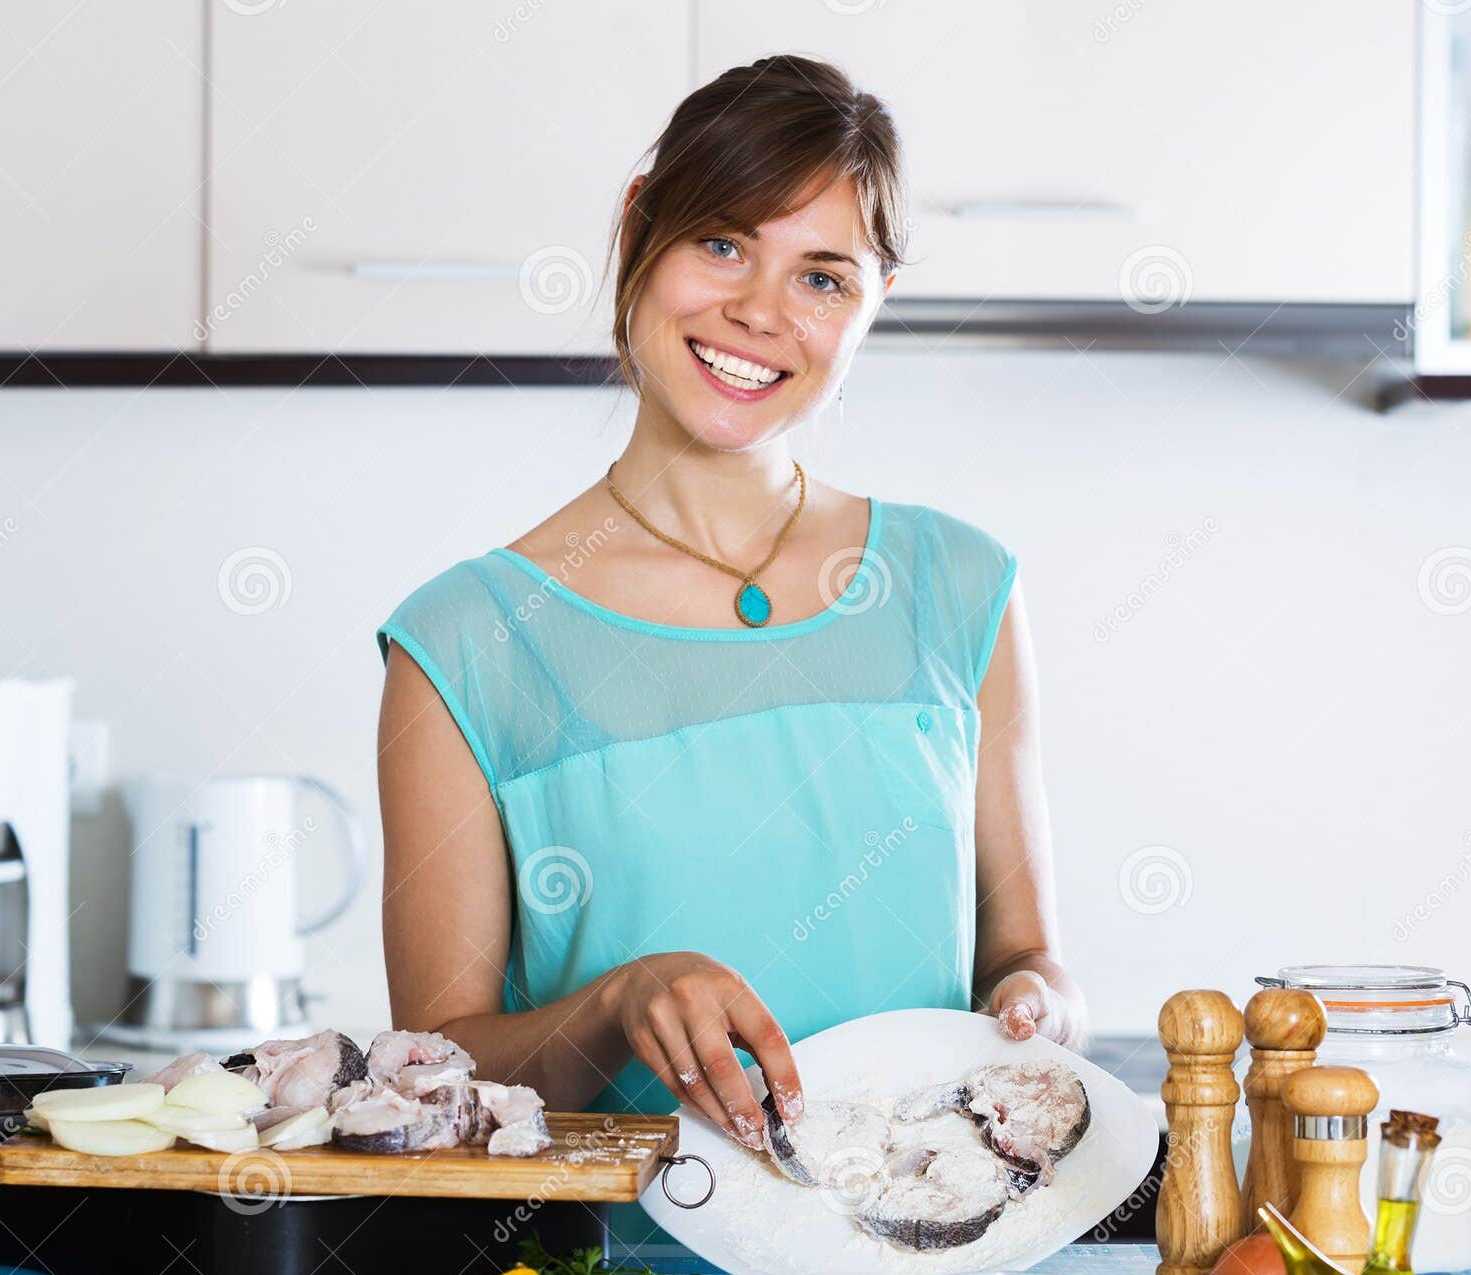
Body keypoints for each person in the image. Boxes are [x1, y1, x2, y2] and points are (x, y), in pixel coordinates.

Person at [375, 55, 1087, 1165]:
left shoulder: (962, 588)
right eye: (722, 244)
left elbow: (1025, 957)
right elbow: (436, 1083)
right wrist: (620, 1000)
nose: (759, 312)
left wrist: (1040, 1005)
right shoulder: (467, 643)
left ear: (872, 306)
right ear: (635, 229)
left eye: (822, 277)